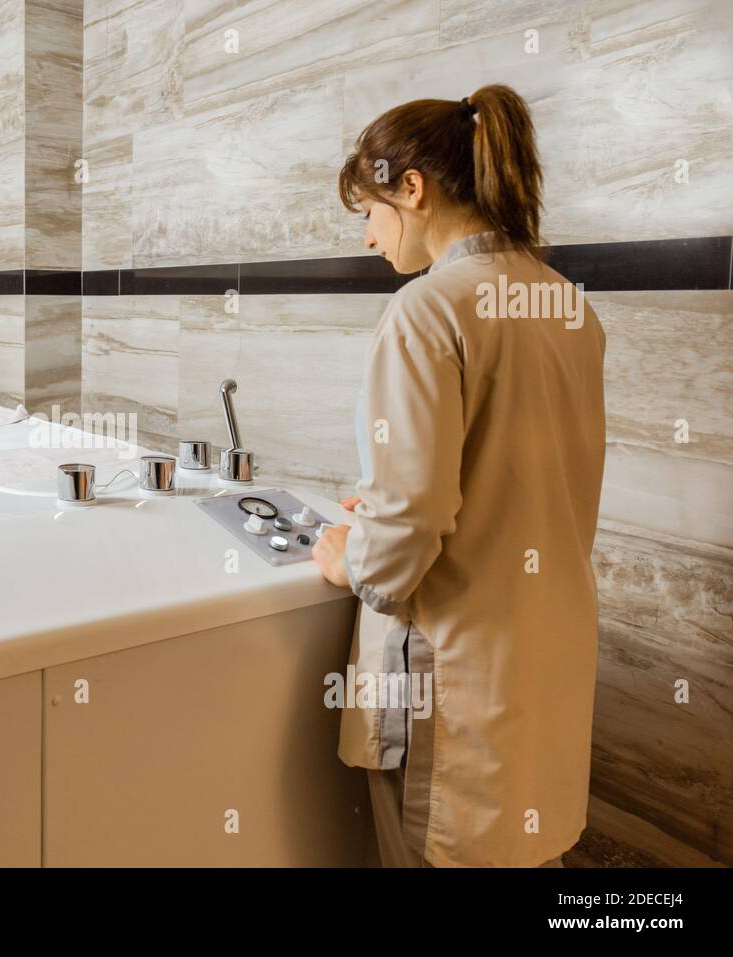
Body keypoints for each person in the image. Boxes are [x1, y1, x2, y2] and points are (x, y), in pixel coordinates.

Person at [311, 84, 606, 867]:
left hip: (457, 693)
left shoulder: (426, 309)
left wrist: (356, 556)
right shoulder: (569, 307)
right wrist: (391, 500)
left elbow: (410, 525)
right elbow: (518, 477)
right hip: (546, 679)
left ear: (414, 188)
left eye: (370, 211)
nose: (371, 239)